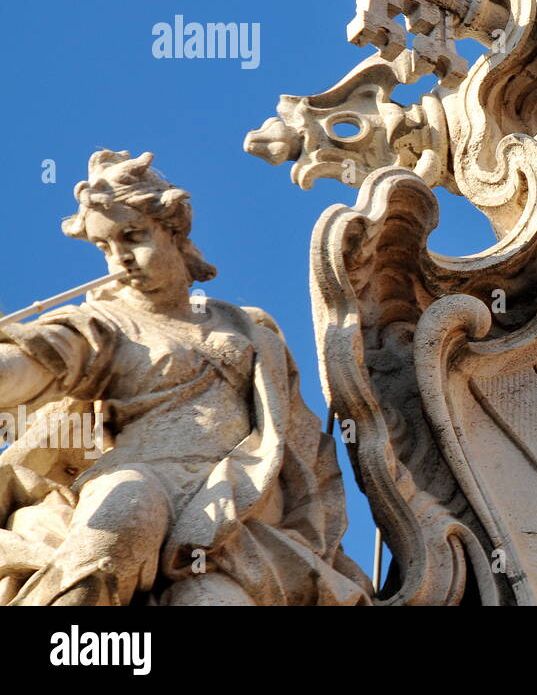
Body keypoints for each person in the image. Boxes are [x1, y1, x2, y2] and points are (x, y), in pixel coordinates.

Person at [0, 150, 370, 605]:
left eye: (132, 236)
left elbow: (297, 440)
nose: (121, 259)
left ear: (173, 229)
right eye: (104, 247)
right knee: (120, 522)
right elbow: (35, 363)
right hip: (140, 475)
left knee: (215, 601)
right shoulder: (103, 322)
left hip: (234, 502)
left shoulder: (247, 326)